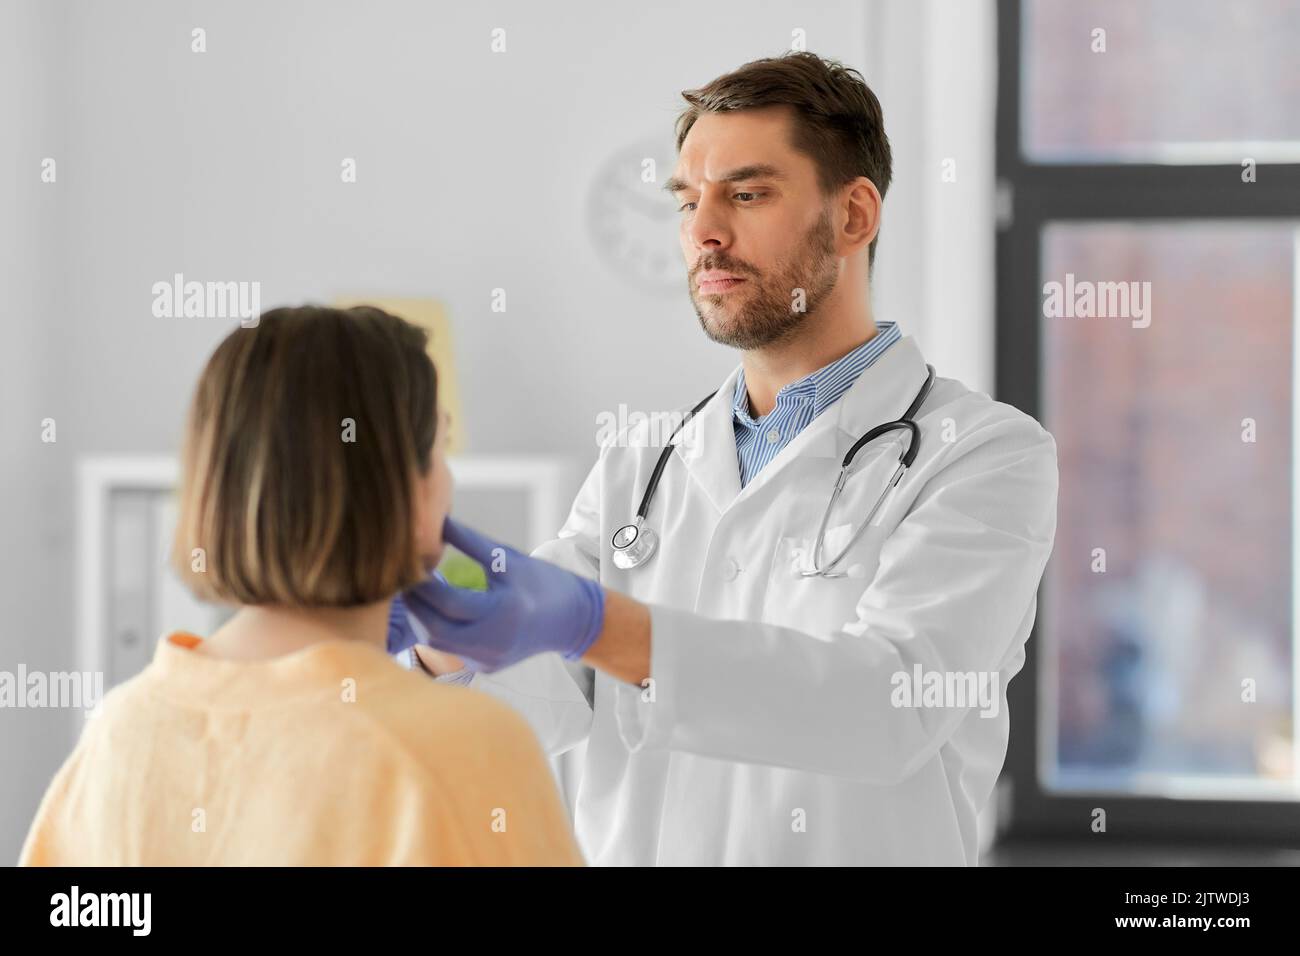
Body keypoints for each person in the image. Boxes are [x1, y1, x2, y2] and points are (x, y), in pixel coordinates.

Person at [395, 52, 1060, 866]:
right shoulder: (642, 461)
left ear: (854, 217)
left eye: (746, 194)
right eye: (687, 200)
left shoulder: (985, 455)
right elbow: (539, 708)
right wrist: (445, 649)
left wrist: (605, 625)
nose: (703, 231)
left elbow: (892, 707)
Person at [20, 306, 584, 867]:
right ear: (401, 491)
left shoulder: (122, 731)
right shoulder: (469, 750)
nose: (448, 478)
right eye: (439, 447)